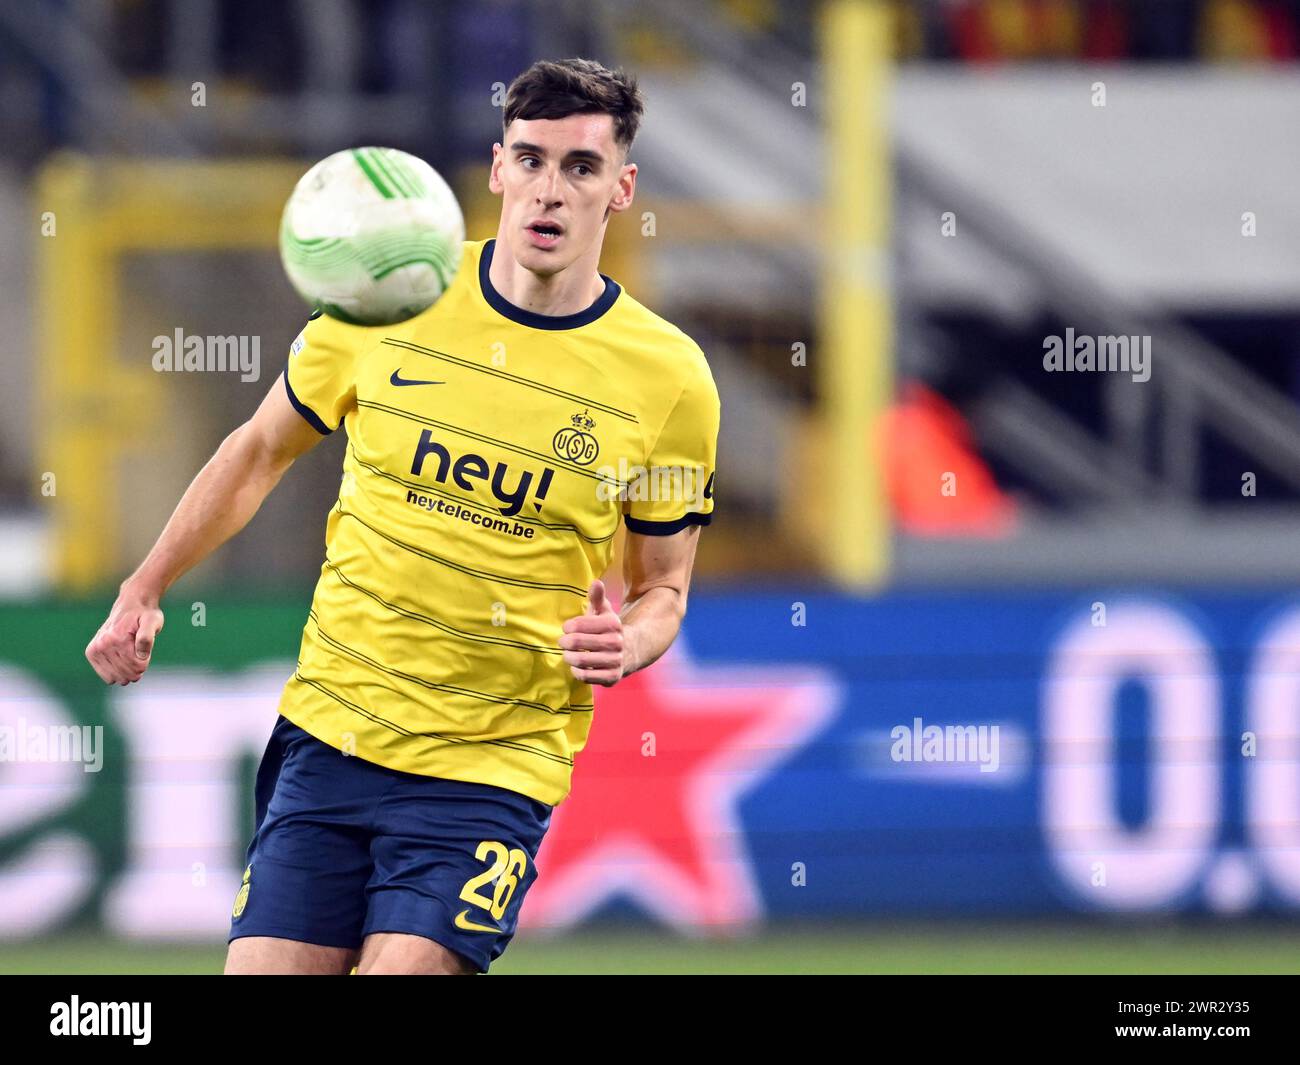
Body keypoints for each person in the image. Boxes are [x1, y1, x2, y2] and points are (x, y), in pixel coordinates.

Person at [84, 57, 720, 975]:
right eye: (532, 160)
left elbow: (665, 585)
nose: (551, 190)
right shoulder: (386, 298)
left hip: (492, 766)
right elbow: (256, 452)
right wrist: (147, 585)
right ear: (497, 169)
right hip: (334, 732)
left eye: (580, 168)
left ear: (620, 188)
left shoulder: (671, 380)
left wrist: (629, 643)